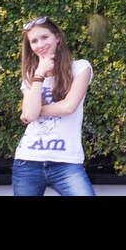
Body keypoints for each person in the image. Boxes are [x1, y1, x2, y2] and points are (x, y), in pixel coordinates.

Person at [12, 17, 95, 196]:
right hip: (28, 161)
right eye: (34, 41)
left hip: (66, 163)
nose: (40, 44)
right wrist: (40, 74)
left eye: (45, 37)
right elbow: (30, 114)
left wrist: (34, 111)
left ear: (57, 37)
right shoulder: (30, 76)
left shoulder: (80, 68)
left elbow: (68, 107)